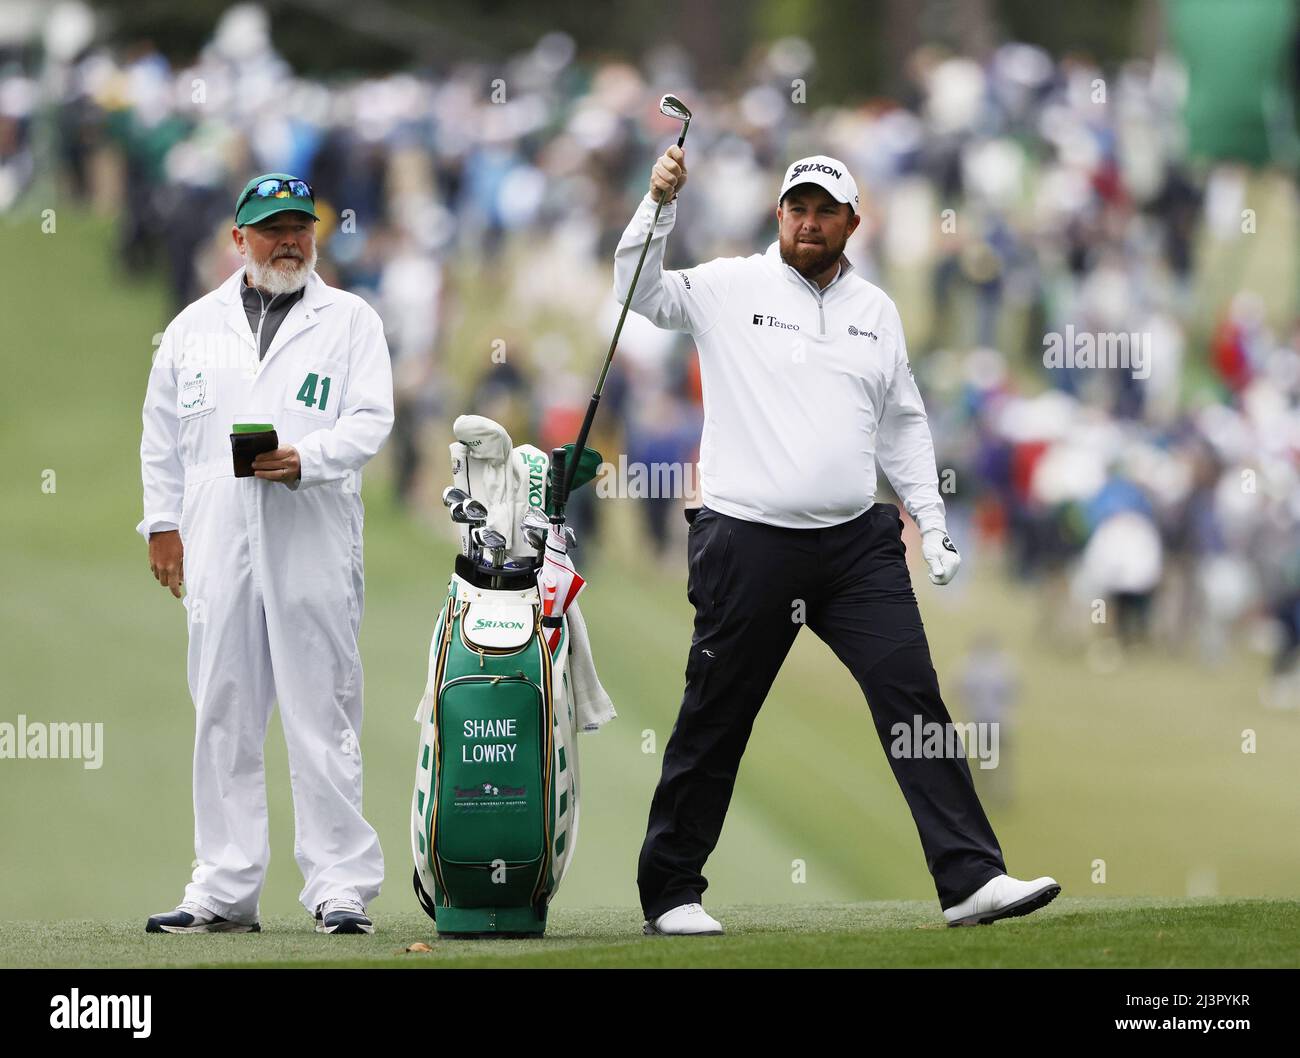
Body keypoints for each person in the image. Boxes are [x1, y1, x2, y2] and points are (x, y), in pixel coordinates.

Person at [618, 147, 1060, 935]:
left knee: (912, 698)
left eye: (825, 211)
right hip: (745, 539)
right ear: (777, 215)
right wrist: (658, 206)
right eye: (796, 208)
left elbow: (903, 424)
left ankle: (970, 879)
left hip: (857, 545)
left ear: (853, 222)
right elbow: (638, 291)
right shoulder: (728, 286)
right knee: (718, 713)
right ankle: (672, 892)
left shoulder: (876, 312)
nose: (808, 222)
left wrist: (931, 520)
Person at [138, 173, 393, 935]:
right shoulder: (191, 327)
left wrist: (307, 457)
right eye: (272, 228)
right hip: (217, 534)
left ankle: (340, 884)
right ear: (238, 238)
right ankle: (223, 885)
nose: (289, 241)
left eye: (300, 227)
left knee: (323, 706)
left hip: (310, 527)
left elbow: (371, 419)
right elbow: (162, 440)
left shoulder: (350, 320)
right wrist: (161, 524)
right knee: (223, 706)